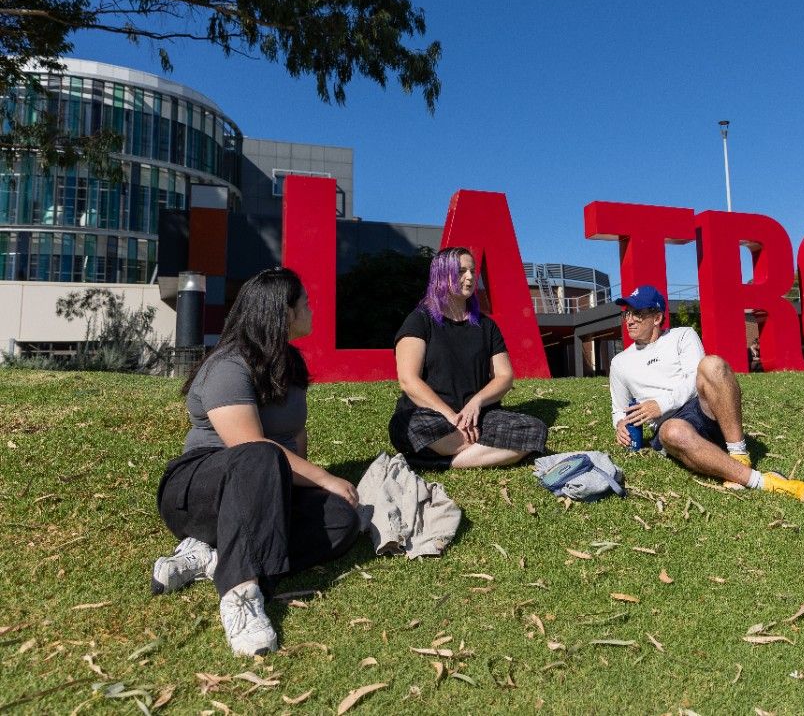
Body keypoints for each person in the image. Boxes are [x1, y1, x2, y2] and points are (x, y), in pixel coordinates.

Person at [152, 267, 361, 657]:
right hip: (199, 489)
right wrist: (325, 478)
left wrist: (310, 491)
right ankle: (241, 595)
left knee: (341, 519)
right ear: (285, 312)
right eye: (305, 304)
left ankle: (214, 556)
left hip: (263, 488)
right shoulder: (228, 366)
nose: (312, 310)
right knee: (260, 454)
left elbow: (295, 438)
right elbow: (247, 445)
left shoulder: (289, 363)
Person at [608, 285, 804, 503]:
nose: (629, 320)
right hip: (670, 426)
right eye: (627, 314)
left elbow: (695, 379)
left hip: (702, 407)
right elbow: (619, 410)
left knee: (712, 364)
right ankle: (765, 482)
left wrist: (661, 404)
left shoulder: (682, 335)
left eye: (638, 314)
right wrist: (620, 424)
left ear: (657, 318)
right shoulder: (620, 363)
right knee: (671, 431)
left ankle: (738, 454)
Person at [389, 247, 547, 468]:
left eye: (472, 271)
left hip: (478, 417)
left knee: (534, 429)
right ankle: (484, 450)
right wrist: (450, 416)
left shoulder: (487, 326)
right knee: (408, 425)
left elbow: (504, 376)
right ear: (441, 274)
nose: (470, 277)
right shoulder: (420, 320)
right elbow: (408, 380)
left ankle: (441, 463)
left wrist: (476, 403)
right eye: (461, 271)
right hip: (431, 416)